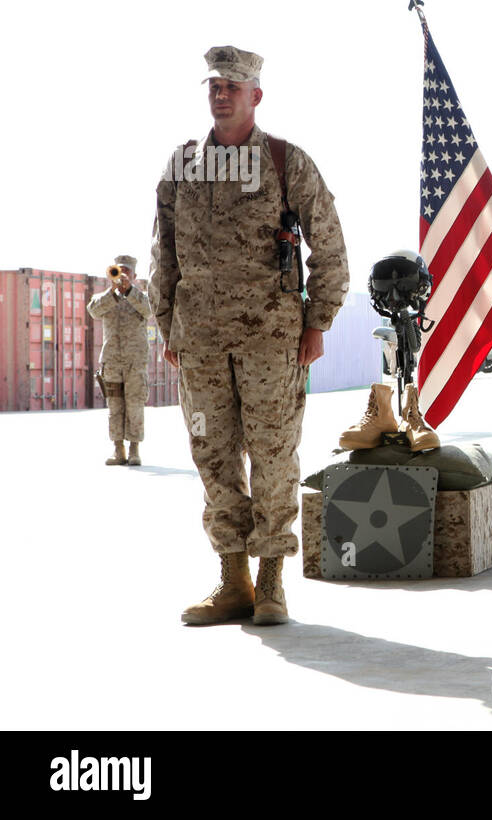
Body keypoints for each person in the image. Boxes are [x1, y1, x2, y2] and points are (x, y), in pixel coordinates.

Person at [150, 46, 349, 626]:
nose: (222, 93)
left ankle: (271, 582)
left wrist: (318, 323)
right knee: (213, 456)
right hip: (201, 342)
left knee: (272, 454)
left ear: (256, 96)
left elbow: (330, 247)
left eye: (234, 85)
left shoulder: (288, 162)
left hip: (270, 339)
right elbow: (165, 253)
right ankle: (231, 579)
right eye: (215, 83)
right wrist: (168, 326)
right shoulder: (183, 166)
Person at [87, 255, 150, 465]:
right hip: (112, 360)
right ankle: (118, 449)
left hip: (135, 361)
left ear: (135, 275)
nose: (122, 275)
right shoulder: (105, 297)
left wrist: (129, 291)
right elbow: (93, 310)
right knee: (115, 406)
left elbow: (150, 310)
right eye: (118, 270)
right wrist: (113, 291)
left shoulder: (141, 297)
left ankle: (134, 449)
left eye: (127, 272)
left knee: (135, 405)